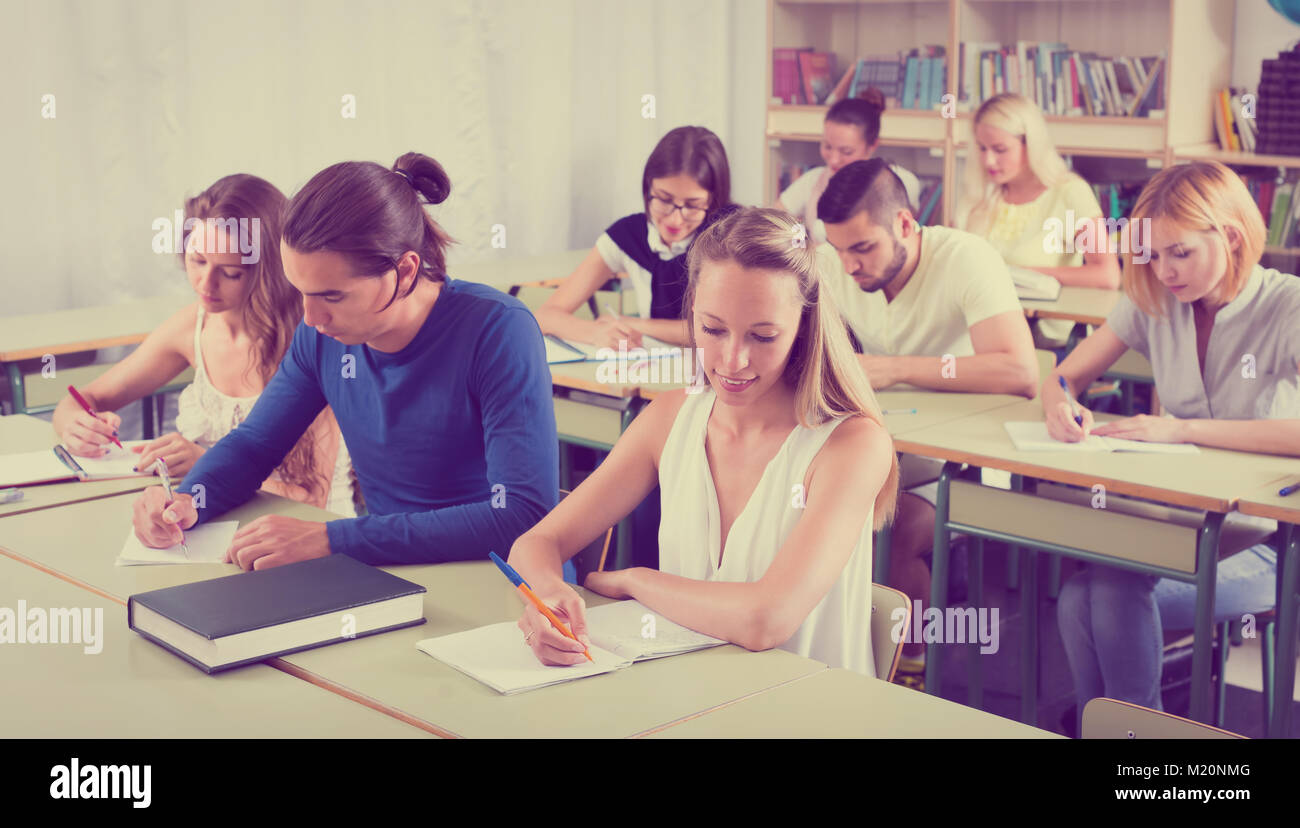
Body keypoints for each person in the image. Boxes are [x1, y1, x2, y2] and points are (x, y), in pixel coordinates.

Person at [508, 207, 899, 675]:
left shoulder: (852, 446)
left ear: (804, 327)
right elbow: (535, 544)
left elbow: (764, 621)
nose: (732, 361)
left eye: (763, 335)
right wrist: (546, 596)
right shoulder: (672, 417)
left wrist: (638, 581)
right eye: (712, 329)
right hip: (692, 701)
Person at [130, 153, 559, 570]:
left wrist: (334, 540)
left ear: (405, 272)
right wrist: (189, 500)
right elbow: (254, 446)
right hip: (394, 569)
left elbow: (520, 515)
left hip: (502, 586)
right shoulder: (324, 336)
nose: (311, 318)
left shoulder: (499, 329)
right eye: (301, 292)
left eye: (332, 296)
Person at [1044, 161, 1300, 726]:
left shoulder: (1288, 305)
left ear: (1231, 236)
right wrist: (1061, 405)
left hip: (1271, 541)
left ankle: (1134, 738)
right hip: (1184, 519)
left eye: (1179, 253)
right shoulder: (1155, 300)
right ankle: (1126, 737)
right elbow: (1063, 376)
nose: (1163, 271)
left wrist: (1181, 429)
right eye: (1153, 255)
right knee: (1082, 596)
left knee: (1104, 592)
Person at [52, 174, 354, 515]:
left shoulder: (310, 341)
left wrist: (208, 465)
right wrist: (75, 426)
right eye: (197, 261)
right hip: (218, 524)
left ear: (269, 271)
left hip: (308, 531)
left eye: (230, 273)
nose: (205, 283)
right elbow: (81, 401)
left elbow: (312, 497)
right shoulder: (192, 326)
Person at [534, 126, 732, 349]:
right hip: (653, 369)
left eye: (692, 206)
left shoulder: (730, 236)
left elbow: (723, 330)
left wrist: (633, 324)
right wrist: (595, 332)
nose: (675, 220)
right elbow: (546, 316)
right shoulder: (629, 235)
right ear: (648, 188)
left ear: (713, 199)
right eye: (664, 200)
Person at [959, 93, 1121, 345]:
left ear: (1030, 144)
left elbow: (1107, 276)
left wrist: (1024, 275)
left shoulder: (1070, 193)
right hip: (979, 326)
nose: (988, 160)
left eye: (1000, 149)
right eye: (982, 148)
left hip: (1039, 333)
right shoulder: (982, 193)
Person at [774, 90, 923, 247]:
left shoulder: (899, 181)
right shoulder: (813, 180)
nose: (834, 159)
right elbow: (773, 221)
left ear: (872, 145)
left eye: (846, 151)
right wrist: (800, 243)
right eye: (827, 146)